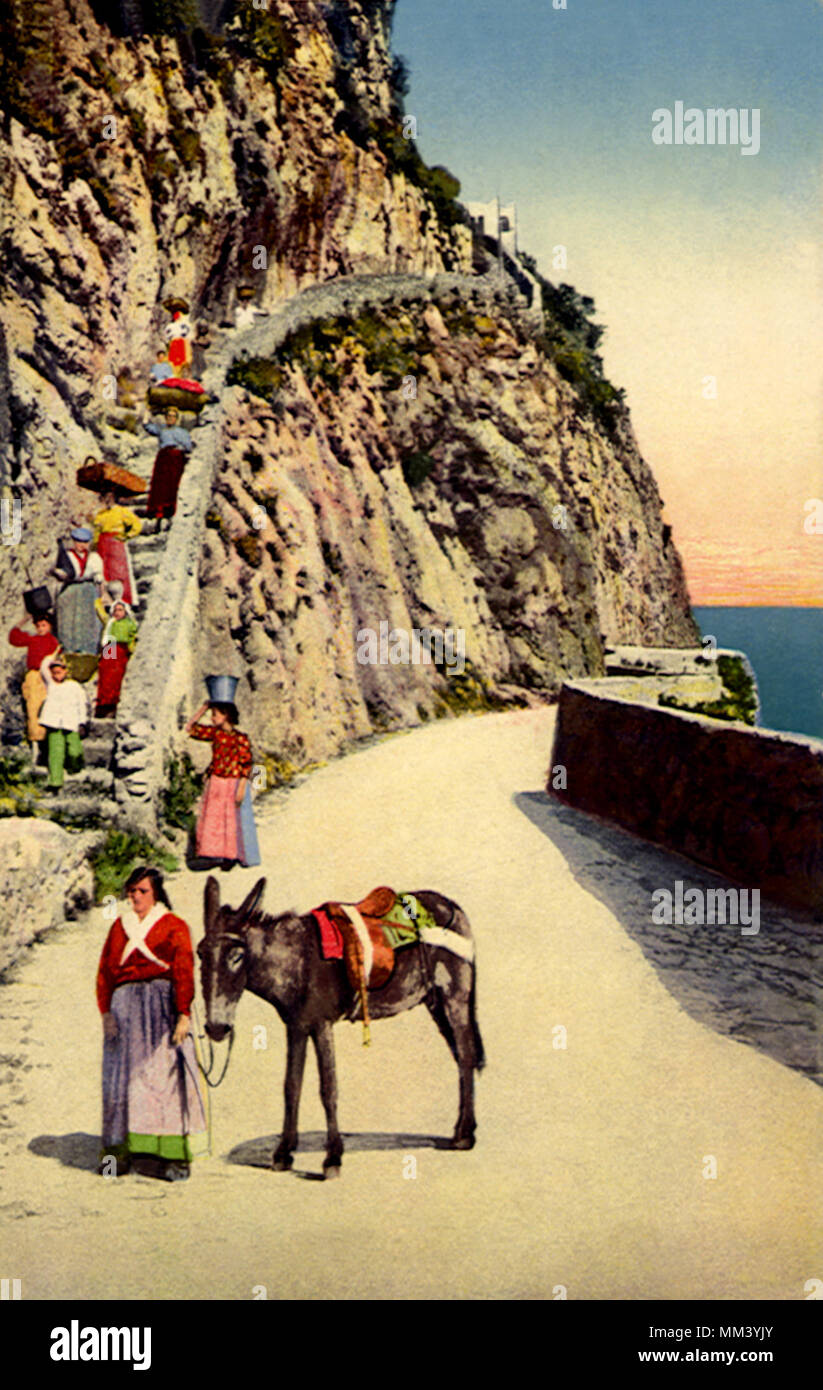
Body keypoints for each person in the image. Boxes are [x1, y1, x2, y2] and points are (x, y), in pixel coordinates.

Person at [96, 865, 207, 1180]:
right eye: (131, 892)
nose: (135, 897)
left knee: (166, 1080)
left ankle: (172, 1158)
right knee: (120, 1081)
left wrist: (183, 1013)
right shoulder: (119, 927)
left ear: (155, 893)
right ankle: (116, 1156)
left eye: (142, 891)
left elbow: (184, 968)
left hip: (161, 1007)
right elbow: (105, 972)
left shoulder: (174, 925)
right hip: (123, 1010)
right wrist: (106, 1013)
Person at [186, 694, 261, 869]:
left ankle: (230, 857)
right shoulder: (215, 733)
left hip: (233, 783)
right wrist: (203, 708)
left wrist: (242, 787)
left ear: (226, 715)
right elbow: (190, 729)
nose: (212, 718)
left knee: (231, 820)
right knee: (216, 819)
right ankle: (218, 855)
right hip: (216, 782)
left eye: (215, 714)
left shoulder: (241, 738)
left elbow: (246, 764)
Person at [8, 612, 59, 751]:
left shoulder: (53, 642)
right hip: (33, 676)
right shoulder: (33, 639)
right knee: (33, 709)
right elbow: (13, 638)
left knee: (47, 709)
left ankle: (48, 744)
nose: (41, 628)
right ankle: (35, 743)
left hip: (47, 676)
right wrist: (24, 620)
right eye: (38, 626)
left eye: (44, 625)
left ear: (50, 626)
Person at [51, 526, 104, 655]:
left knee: (88, 620)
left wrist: (102, 593)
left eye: (85, 542)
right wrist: (58, 573)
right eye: (78, 542)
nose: (81, 545)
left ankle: (88, 651)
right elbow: (57, 570)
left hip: (88, 590)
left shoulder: (94, 557)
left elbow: (99, 576)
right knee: (69, 620)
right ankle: (69, 650)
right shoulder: (67, 555)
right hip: (70, 589)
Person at [39, 650, 89, 790]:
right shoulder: (51, 685)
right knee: (56, 752)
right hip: (54, 723)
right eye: (54, 673)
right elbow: (44, 666)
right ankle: (55, 782)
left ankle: (75, 768)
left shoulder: (74, 686)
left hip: (71, 722)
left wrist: (82, 722)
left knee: (75, 750)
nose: (56, 675)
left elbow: (81, 704)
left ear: (65, 672)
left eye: (59, 672)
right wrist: (53, 654)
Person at [92, 488, 142, 605]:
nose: (108, 500)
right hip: (102, 544)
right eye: (105, 497)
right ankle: (107, 601)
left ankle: (125, 600)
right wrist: (95, 546)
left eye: (110, 496)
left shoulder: (122, 511)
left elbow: (137, 525)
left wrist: (125, 536)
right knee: (104, 571)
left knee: (119, 571)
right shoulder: (100, 514)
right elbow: (97, 532)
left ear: (115, 497)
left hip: (116, 544)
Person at [144, 408, 192, 524]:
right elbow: (147, 426)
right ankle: (157, 509)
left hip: (175, 456)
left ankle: (169, 509)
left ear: (176, 419)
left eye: (173, 416)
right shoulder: (161, 429)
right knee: (159, 483)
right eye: (168, 416)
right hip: (163, 456)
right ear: (165, 417)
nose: (171, 418)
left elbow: (188, 447)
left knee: (172, 482)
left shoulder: (182, 432)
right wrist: (146, 413)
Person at [94, 594, 138, 717]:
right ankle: (102, 703)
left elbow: (132, 637)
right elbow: (100, 613)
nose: (117, 612)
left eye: (120, 610)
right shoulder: (110, 623)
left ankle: (112, 703)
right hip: (110, 646)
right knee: (105, 673)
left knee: (116, 676)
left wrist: (131, 647)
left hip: (120, 648)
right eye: (115, 610)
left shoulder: (130, 623)